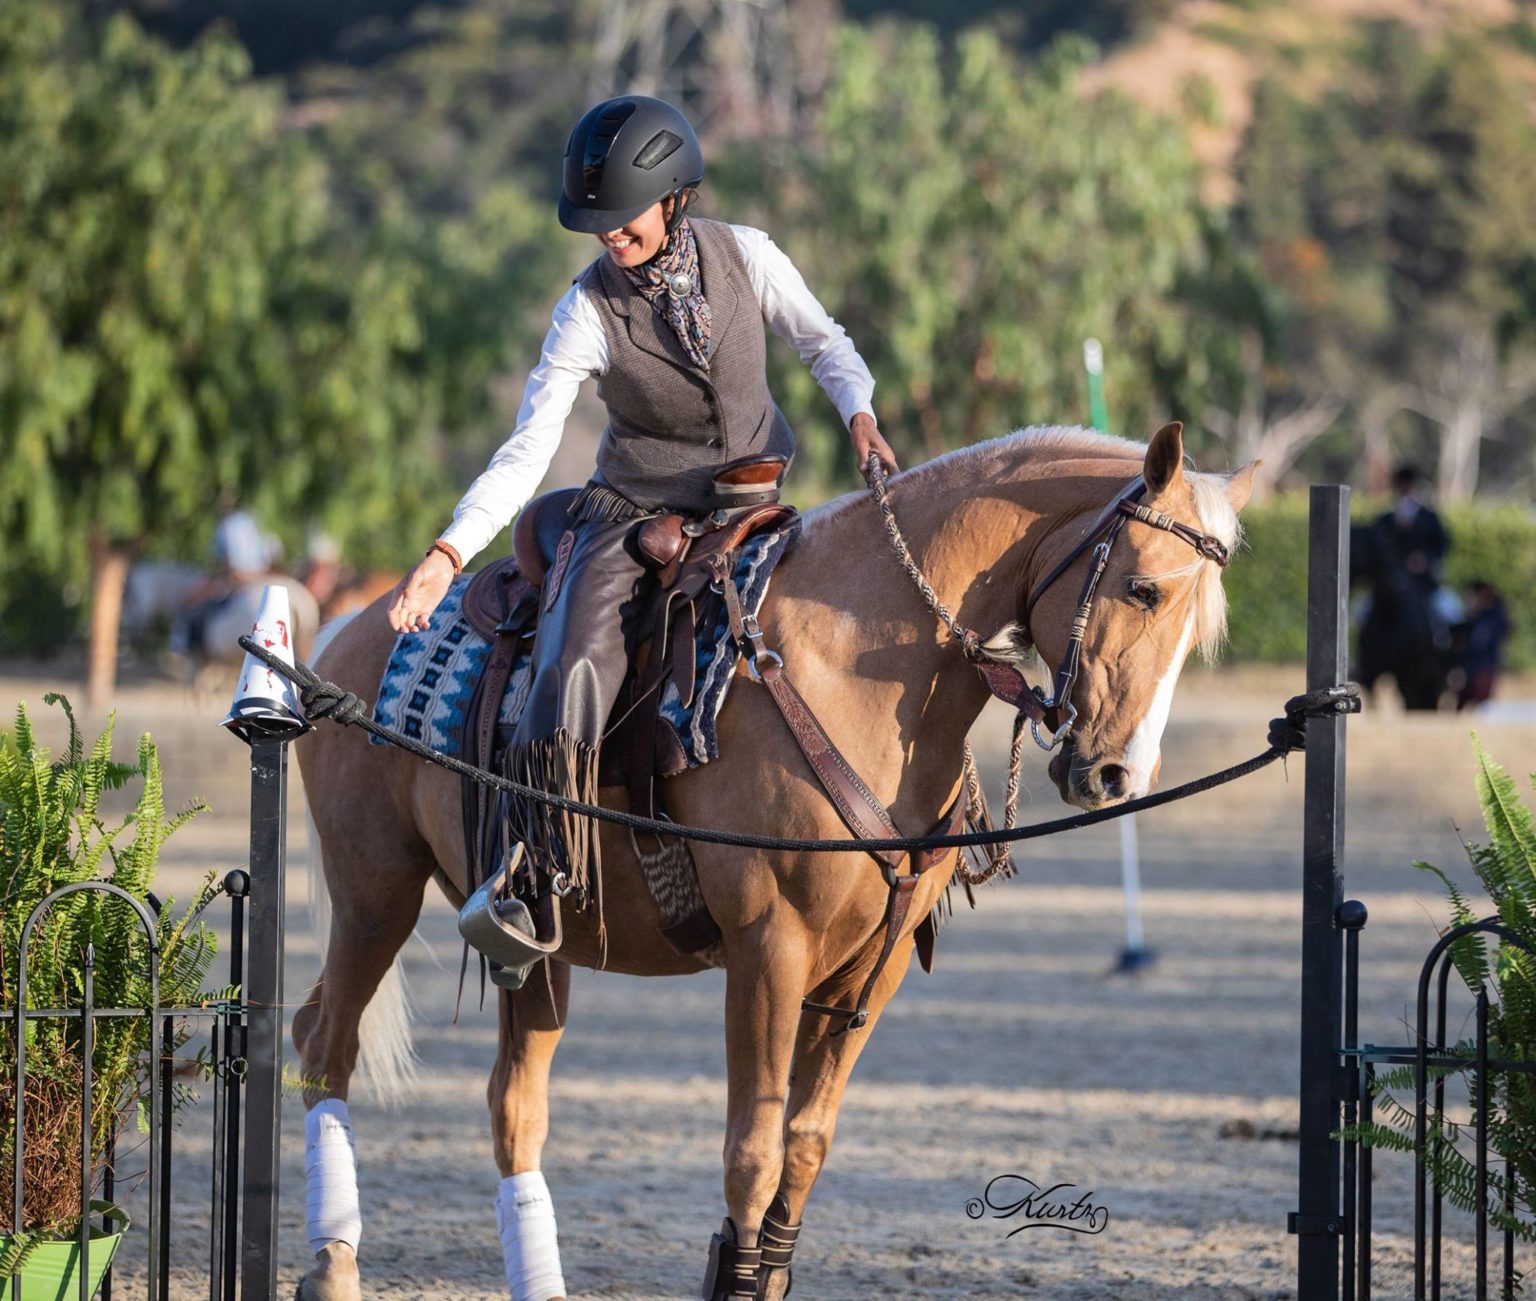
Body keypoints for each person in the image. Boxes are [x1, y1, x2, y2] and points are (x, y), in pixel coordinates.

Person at [385, 95, 895, 958]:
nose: (607, 236)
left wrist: (860, 411)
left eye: (621, 219)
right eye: (596, 224)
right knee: (576, 659)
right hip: (632, 514)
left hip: (752, 504)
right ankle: (532, 869)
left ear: (674, 199)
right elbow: (529, 448)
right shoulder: (584, 312)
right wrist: (446, 552)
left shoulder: (750, 256)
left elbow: (823, 342)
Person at [1451, 580, 1513, 710]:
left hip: (1486, 665)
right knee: (1462, 700)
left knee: (1481, 702)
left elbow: (1503, 633)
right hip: (1469, 666)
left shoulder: (1495, 615)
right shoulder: (1469, 619)